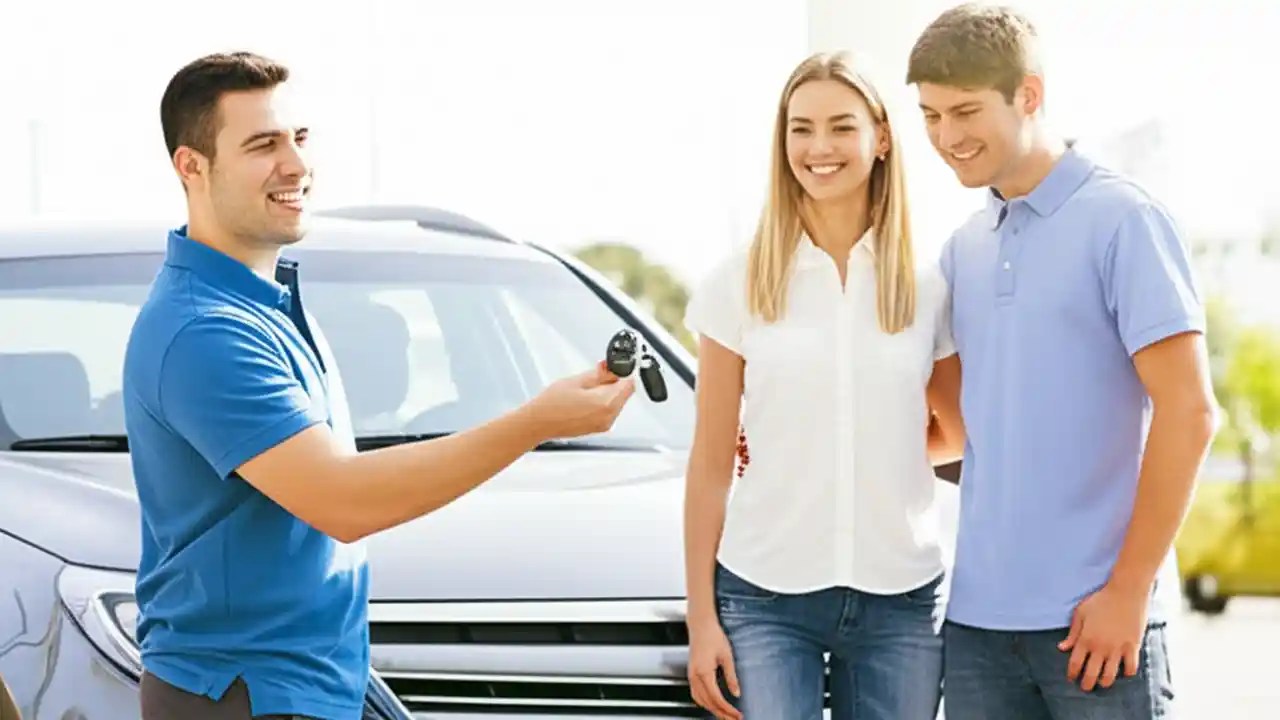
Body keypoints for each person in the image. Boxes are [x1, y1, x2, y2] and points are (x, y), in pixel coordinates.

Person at [122, 51, 635, 720]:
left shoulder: (263, 304)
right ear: (192, 166)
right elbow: (344, 500)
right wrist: (535, 422)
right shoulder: (204, 332)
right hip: (245, 692)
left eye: (300, 138)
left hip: (318, 681)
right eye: (263, 144)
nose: (297, 165)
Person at [905, 4, 1219, 718]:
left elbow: (1191, 411)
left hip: (1097, 625)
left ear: (1030, 95)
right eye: (929, 116)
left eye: (965, 111)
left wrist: (1129, 590)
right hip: (979, 627)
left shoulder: (1122, 220)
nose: (947, 138)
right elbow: (954, 427)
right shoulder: (965, 248)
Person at [681, 50, 965, 720]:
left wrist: (859, 451)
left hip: (902, 595)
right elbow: (710, 463)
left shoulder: (928, 288)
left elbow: (956, 430)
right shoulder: (738, 282)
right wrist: (701, 620)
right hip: (764, 597)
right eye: (800, 128)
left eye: (841, 126)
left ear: (882, 137)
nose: (819, 148)